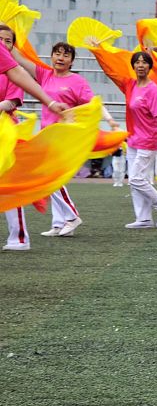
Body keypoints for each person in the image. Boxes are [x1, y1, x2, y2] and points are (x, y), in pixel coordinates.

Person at [8, 40, 96, 238]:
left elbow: (90, 106)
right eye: (57, 53)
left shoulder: (78, 82)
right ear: (51, 56)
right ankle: (59, 223)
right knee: (48, 178)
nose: (60, 58)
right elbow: (19, 60)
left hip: (64, 136)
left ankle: (71, 215)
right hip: (47, 135)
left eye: (65, 55)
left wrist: (74, 118)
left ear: (72, 61)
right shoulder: (45, 75)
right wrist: (8, 41)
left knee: (51, 178)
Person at [0, 24, 71, 251]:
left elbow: (15, 92)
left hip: (6, 132)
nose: (3, 43)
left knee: (9, 185)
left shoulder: (10, 69)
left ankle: (19, 237)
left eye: (7, 40)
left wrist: (50, 102)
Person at [124, 51, 157, 229]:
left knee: (136, 179)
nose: (140, 65)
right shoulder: (131, 86)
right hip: (133, 139)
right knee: (138, 180)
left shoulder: (152, 89)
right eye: (137, 62)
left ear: (149, 66)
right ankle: (143, 218)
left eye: (144, 62)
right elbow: (111, 71)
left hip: (148, 139)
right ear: (133, 66)